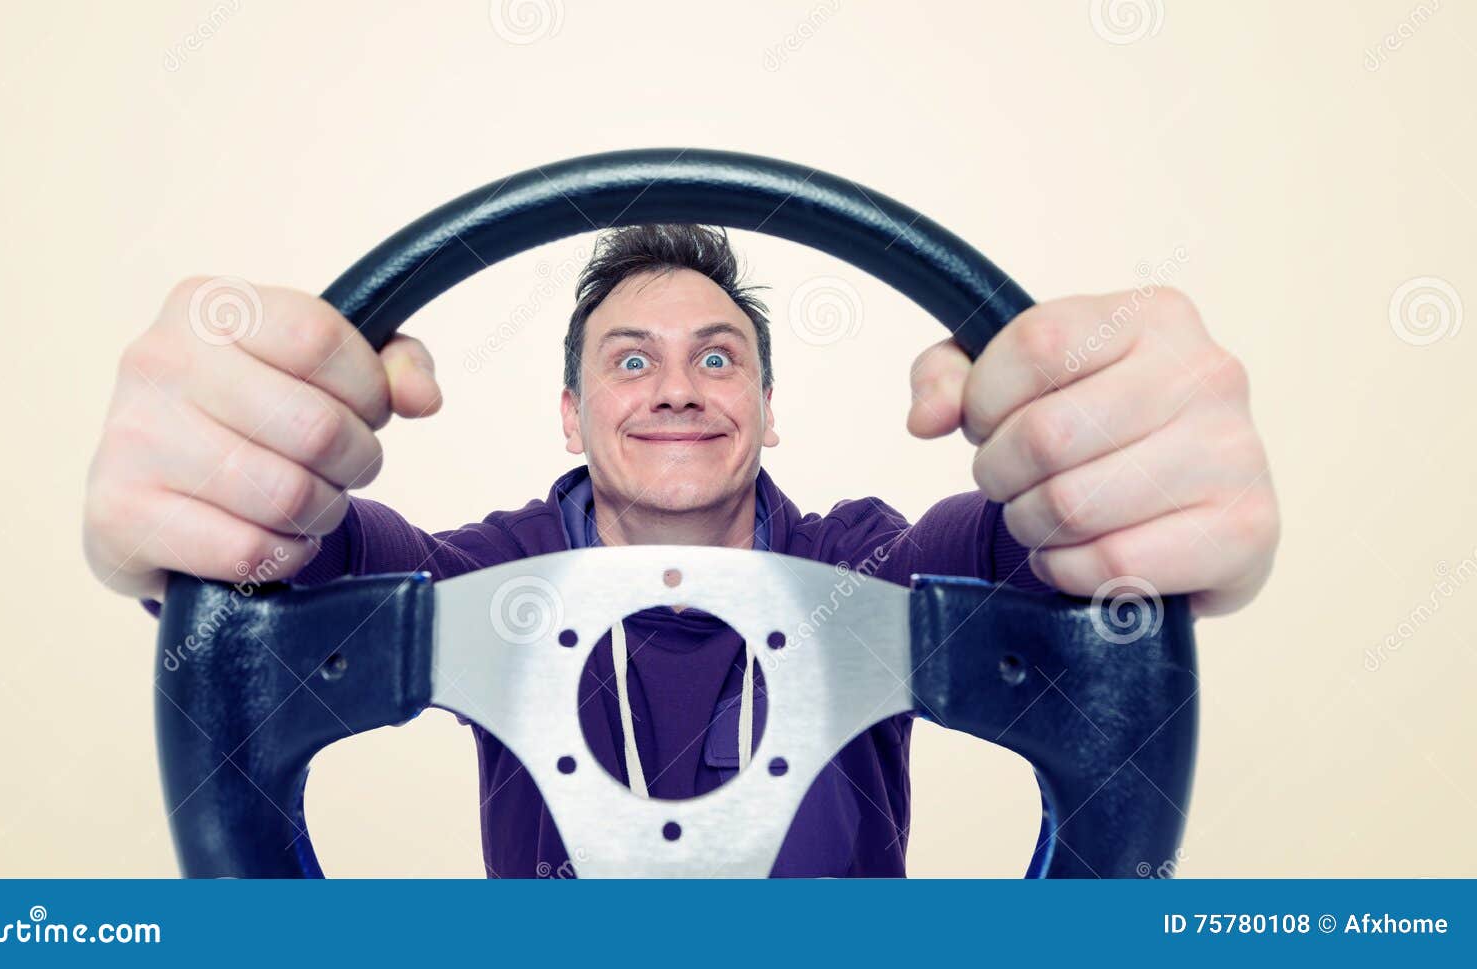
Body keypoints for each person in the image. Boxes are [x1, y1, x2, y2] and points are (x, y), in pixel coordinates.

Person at [83, 224, 1279, 876]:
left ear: (766, 409)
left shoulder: (866, 565)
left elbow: (1041, 548)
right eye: (629, 358)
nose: (676, 389)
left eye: (718, 358)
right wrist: (231, 480)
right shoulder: (485, 578)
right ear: (570, 413)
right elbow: (310, 565)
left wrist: (1117, 482)